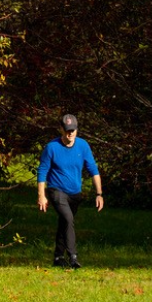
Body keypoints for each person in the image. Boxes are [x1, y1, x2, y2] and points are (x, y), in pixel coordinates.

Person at [37, 113, 103, 268]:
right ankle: (73, 257)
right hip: (56, 190)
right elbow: (42, 171)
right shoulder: (52, 147)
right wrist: (42, 195)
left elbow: (93, 170)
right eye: (67, 130)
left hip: (75, 193)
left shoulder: (83, 146)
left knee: (64, 223)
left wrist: (99, 194)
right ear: (61, 129)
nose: (70, 133)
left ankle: (58, 257)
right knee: (68, 219)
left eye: (73, 130)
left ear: (77, 130)